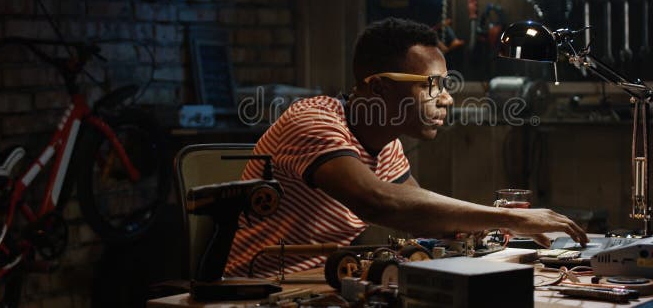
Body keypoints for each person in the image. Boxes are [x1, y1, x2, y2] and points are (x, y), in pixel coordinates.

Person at [225, 18, 587, 278]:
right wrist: (514, 217)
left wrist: (491, 230)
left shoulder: (387, 144)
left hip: (328, 283)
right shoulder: (314, 121)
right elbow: (379, 202)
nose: (445, 98)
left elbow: (422, 218)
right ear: (380, 88)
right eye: (432, 85)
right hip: (259, 288)